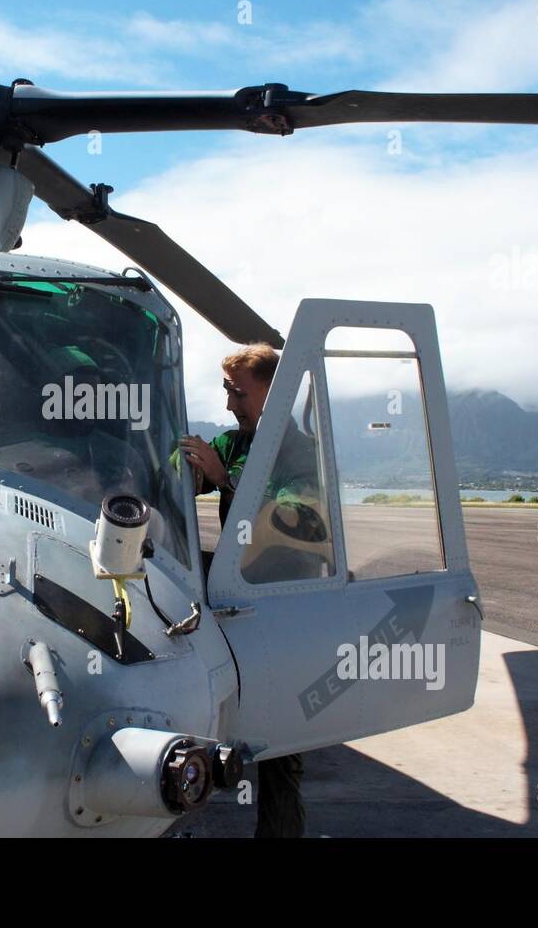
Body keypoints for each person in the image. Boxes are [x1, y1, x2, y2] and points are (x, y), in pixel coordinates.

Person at [179, 343, 307, 839]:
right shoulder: (237, 442)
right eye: (227, 392)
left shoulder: (298, 451)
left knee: (281, 751)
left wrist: (221, 475)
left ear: (273, 395)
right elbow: (194, 483)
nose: (231, 404)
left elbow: (288, 514)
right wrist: (183, 466)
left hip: (282, 599)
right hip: (238, 590)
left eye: (239, 393)